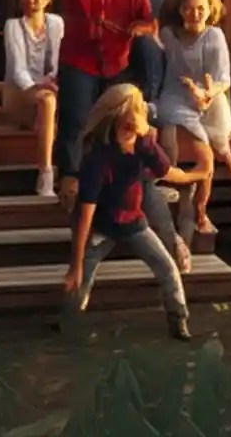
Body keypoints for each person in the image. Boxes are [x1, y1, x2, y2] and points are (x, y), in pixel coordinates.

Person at [60, 83, 208, 341]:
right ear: (117, 121)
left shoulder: (143, 146)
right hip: (104, 225)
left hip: (134, 223)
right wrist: (75, 263)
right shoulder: (98, 159)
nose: (132, 131)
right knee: (83, 277)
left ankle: (178, 320)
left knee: (167, 269)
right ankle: (69, 321)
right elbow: (85, 214)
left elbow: (163, 168)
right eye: (128, 125)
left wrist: (150, 144)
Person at [54, 0, 155, 203]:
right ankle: (70, 178)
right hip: (79, 56)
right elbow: (61, 15)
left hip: (116, 59)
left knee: (117, 120)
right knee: (75, 120)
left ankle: (116, 178)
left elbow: (147, 20)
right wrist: (86, 25)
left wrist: (138, 29)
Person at [156, 0, 231, 240]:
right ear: (181, 9)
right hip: (175, 95)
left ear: (209, 11)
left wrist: (207, 92)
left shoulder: (214, 36)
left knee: (207, 161)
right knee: (169, 134)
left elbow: (223, 79)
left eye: (201, 9)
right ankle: (169, 194)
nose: (195, 14)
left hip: (207, 98)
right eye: (190, 8)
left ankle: (201, 211)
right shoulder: (169, 36)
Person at [1, 0, 65, 197]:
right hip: (19, 93)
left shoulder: (56, 23)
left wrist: (51, 82)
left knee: (64, 97)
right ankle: (45, 173)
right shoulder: (13, 26)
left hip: (49, 88)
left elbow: (57, 63)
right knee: (48, 101)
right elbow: (18, 71)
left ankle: (71, 172)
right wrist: (38, 88)